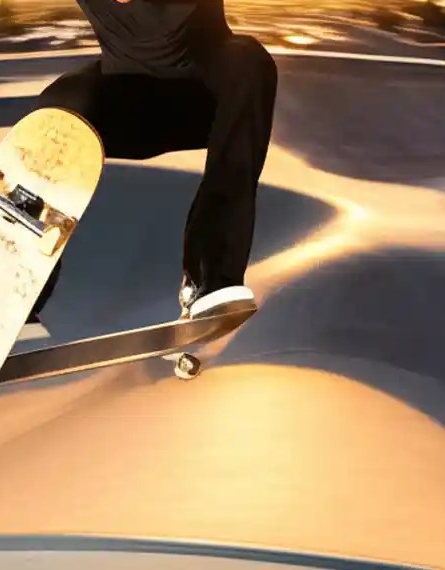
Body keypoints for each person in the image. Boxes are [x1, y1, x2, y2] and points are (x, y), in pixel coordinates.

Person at [24, 0, 278, 335]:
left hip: (202, 103)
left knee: (250, 61)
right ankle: (19, 289)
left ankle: (212, 278)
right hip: (126, 109)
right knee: (59, 102)